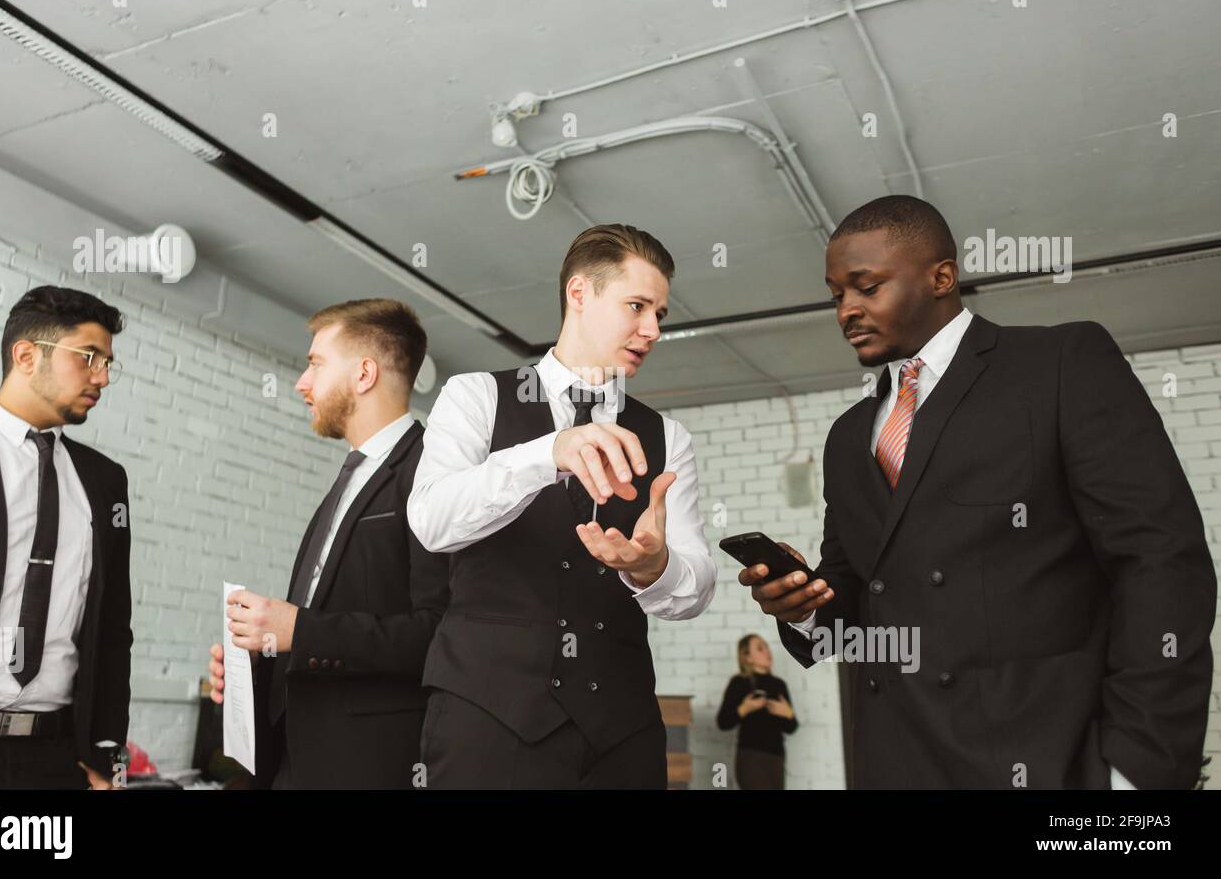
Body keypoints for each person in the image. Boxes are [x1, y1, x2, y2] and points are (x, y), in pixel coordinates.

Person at [740, 195, 1216, 789]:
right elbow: (859, 594)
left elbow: (1159, 559)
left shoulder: (1059, 364)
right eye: (837, 295)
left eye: (867, 287)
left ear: (942, 278)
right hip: (895, 763)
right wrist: (806, 608)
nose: (847, 310)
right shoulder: (847, 436)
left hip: (1047, 759)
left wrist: (1136, 767)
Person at [407, 223, 717, 788]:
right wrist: (547, 453)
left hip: (622, 736)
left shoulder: (668, 437)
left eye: (659, 314)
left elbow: (696, 587)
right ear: (579, 293)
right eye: (637, 306)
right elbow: (431, 521)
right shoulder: (475, 395)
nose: (652, 330)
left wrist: (656, 567)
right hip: (486, 723)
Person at [207, 299, 449, 788]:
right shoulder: (349, 478)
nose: (302, 382)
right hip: (292, 761)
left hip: (367, 768)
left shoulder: (433, 473)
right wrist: (260, 655)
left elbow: (438, 634)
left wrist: (299, 629)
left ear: (364, 373)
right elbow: (320, 627)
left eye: (316, 364)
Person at [0, 285, 131, 789]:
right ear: (26, 356)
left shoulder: (106, 482)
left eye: (107, 363)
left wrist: (111, 761)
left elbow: (112, 631)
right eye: (89, 357)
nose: (102, 377)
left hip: (56, 761)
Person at [716, 634, 798, 789]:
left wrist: (788, 713)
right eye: (760, 648)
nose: (767, 651)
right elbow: (723, 723)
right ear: (747, 657)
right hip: (751, 757)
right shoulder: (739, 682)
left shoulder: (779, 685)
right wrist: (744, 708)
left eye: (767, 647)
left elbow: (792, 728)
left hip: (777, 758)